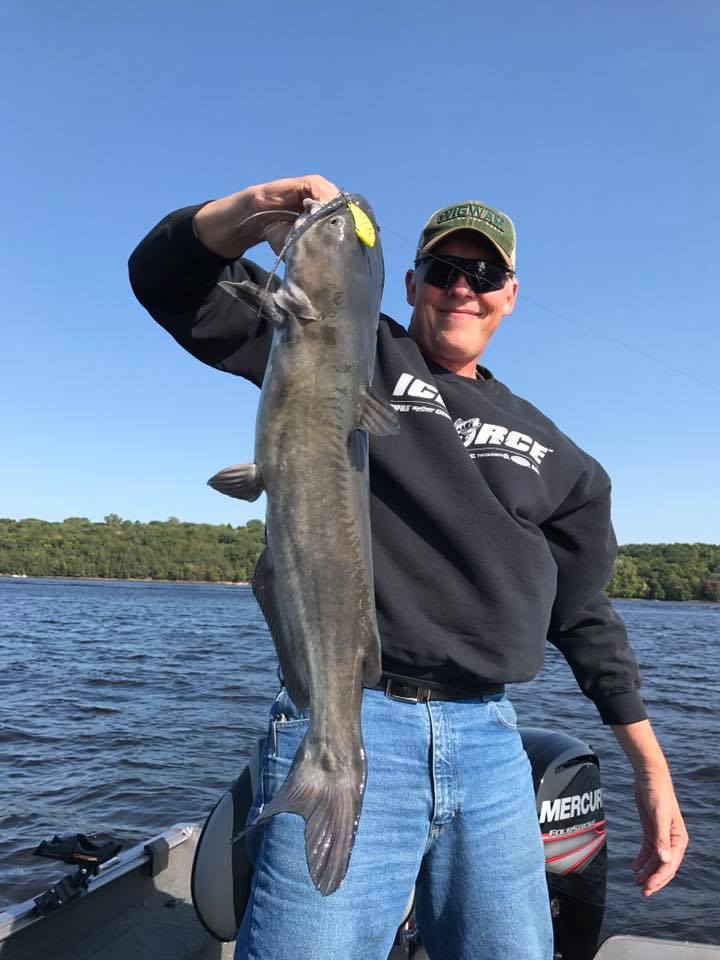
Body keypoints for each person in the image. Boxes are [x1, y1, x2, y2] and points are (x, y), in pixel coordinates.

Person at [128, 175, 688, 960]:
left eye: (484, 275)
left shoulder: (565, 459)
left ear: (511, 295)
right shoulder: (341, 348)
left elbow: (585, 618)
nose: (464, 288)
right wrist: (255, 211)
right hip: (350, 717)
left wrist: (653, 773)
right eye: (446, 272)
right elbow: (168, 280)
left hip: (493, 744)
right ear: (412, 283)